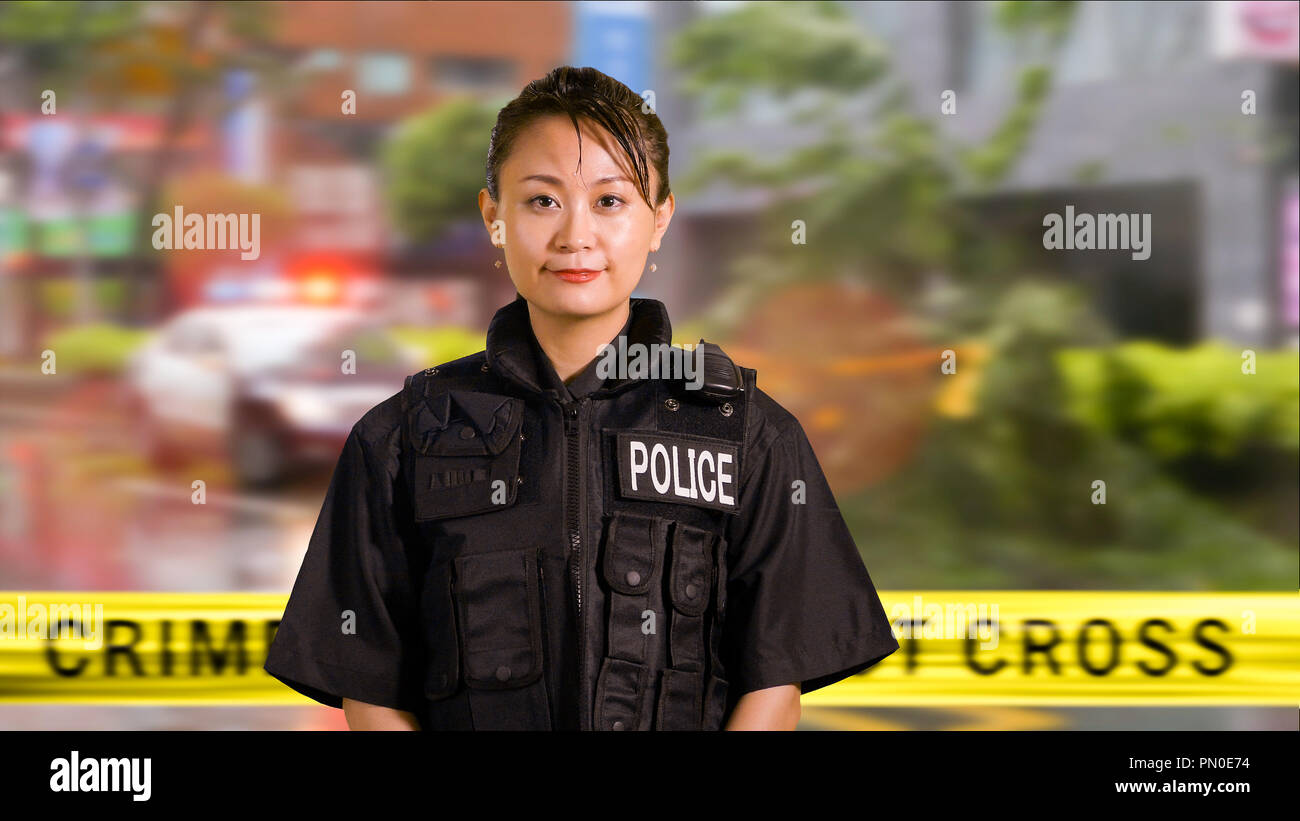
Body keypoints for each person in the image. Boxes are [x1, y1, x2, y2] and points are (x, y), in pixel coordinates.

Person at [264, 65, 898, 731]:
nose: (575, 236)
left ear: (659, 219)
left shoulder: (745, 434)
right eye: (542, 201)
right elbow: (371, 688)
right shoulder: (401, 439)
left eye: (610, 201)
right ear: (493, 216)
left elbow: (773, 684)